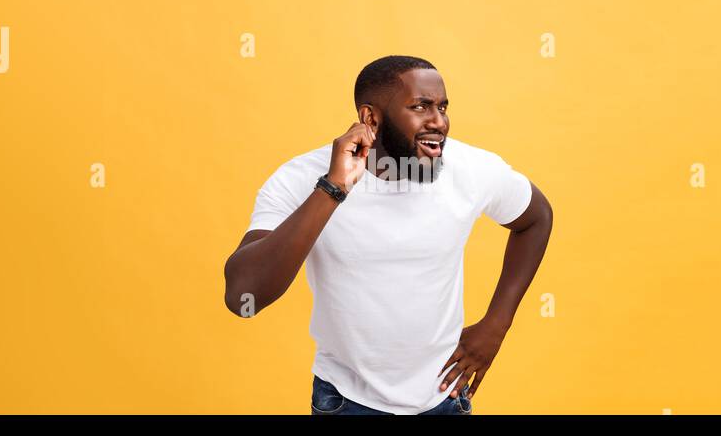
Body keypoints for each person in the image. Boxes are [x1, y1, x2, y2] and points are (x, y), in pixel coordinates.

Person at [224, 55, 553, 415]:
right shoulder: (302, 177)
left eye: (442, 107)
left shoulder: (471, 168)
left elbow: (536, 218)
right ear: (371, 118)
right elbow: (245, 295)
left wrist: (497, 324)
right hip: (347, 401)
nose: (439, 122)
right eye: (420, 107)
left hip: (444, 397)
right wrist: (333, 188)